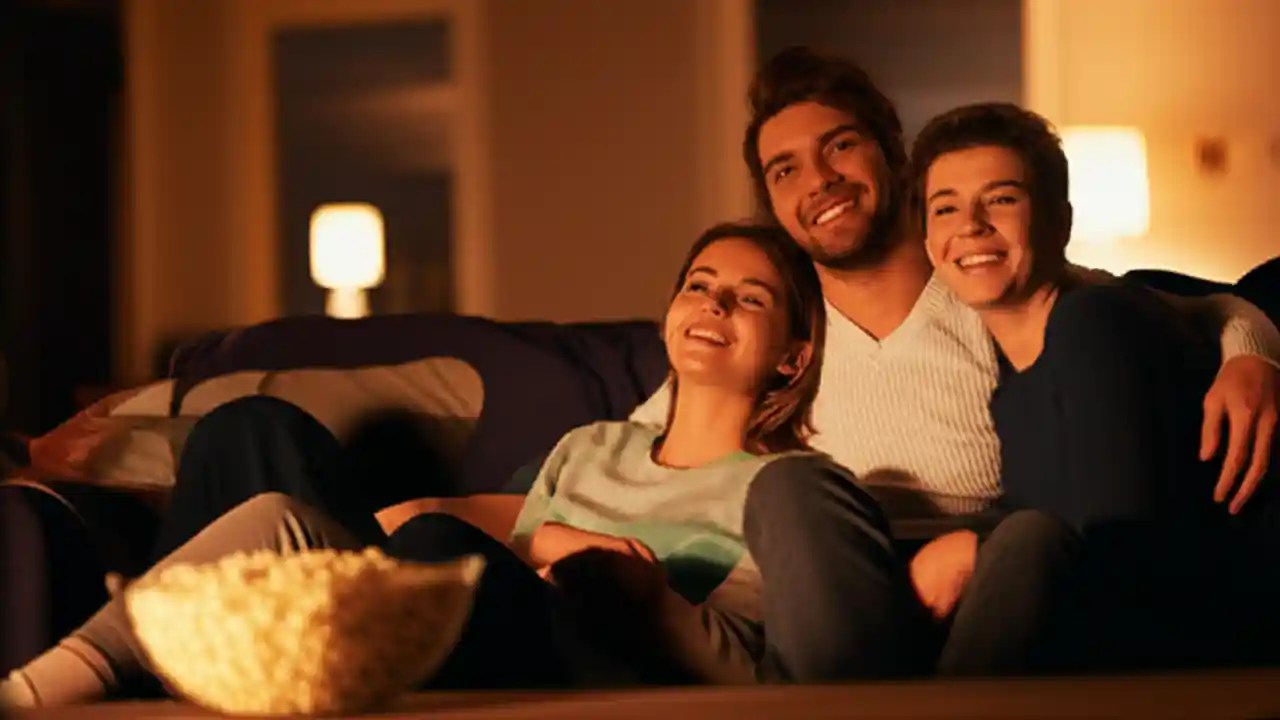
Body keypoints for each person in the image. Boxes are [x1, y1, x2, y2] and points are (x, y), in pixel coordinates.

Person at [3, 221, 851, 708]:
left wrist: (631, 583)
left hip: (571, 660)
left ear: (792, 356)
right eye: (699, 283)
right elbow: (513, 532)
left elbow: (746, 664)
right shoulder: (594, 444)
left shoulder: (781, 492)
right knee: (251, 432)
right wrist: (513, 531)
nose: (713, 302)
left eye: (749, 298)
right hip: (456, 604)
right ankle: (67, 689)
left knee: (435, 549)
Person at [630, 46, 1280, 677]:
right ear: (773, 206)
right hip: (841, 582)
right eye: (785, 170)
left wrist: (1252, 359)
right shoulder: (780, 327)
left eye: (840, 145)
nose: (820, 179)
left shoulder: (985, 278)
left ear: (893, 154)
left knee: (1031, 539)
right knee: (788, 485)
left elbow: (1209, 309)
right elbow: (645, 437)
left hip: (997, 574)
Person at [911, 101, 1280, 667]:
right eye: (946, 208)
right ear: (928, 242)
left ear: (1060, 221)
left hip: (1216, 653)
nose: (971, 225)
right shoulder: (1010, 391)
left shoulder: (1096, 323)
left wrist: (980, 550)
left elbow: (1119, 555)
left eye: (1002, 199)